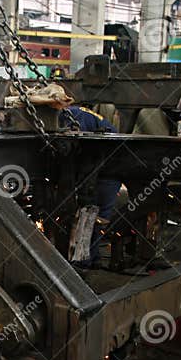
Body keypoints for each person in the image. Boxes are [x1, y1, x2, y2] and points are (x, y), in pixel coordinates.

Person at [61, 105, 122, 267]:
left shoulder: (72, 118)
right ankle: (92, 259)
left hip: (108, 169)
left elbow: (81, 152)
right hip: (103, 166)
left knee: (91, 213)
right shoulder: (74, 113)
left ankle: (83, 262)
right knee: (94, 214)